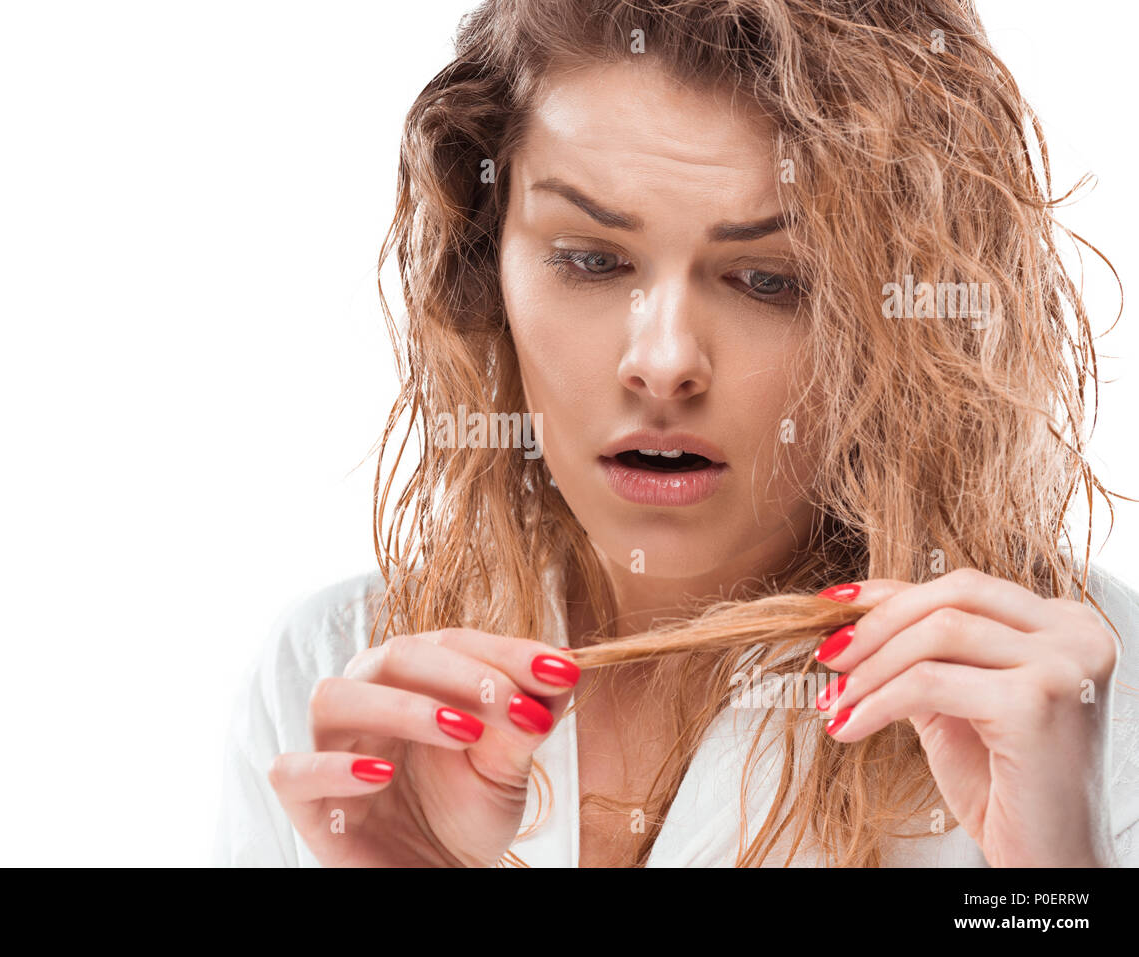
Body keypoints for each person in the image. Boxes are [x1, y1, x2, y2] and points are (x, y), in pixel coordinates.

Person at [213, 0, 1139, 867]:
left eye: (771, 279)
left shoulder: (1077, 700)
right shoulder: (336, 680)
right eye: (589, 259)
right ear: (483, 263)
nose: (662, 362)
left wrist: (1055, 883)